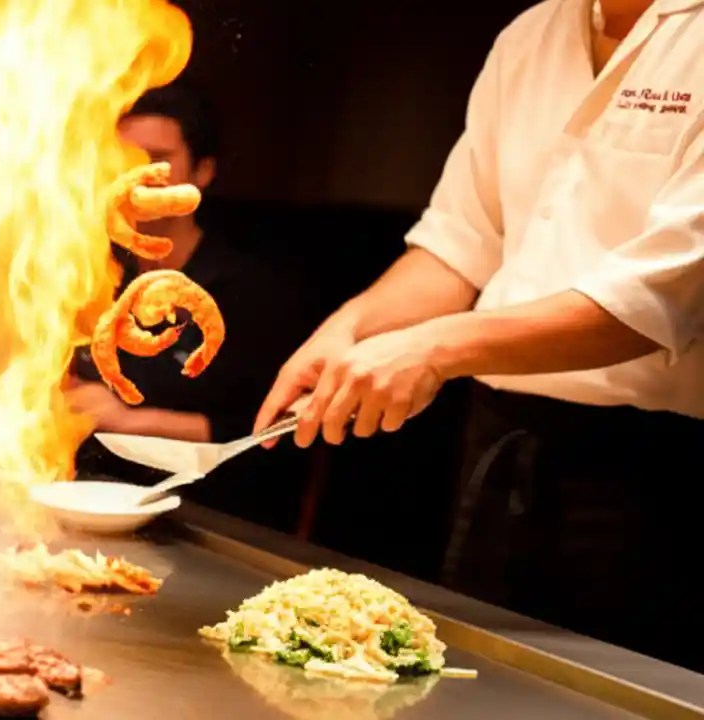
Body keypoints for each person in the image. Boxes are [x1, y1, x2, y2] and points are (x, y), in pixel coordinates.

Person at [254, 0, 702, 670]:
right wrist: (349, 327)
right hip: (501, 440)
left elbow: (658, 294)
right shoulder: (533, 32)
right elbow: (460, 243)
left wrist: (434, 348)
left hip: (654, 473)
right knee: (474, 684)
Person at [70, 83, 311, 526]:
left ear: (202, 172)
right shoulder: (94, 273)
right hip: (86, 498)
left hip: (206, 517)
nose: (137, 177)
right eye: (125, 160)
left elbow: (267, 434)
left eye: (158, 159)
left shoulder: (247, 290)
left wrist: (127, 420)